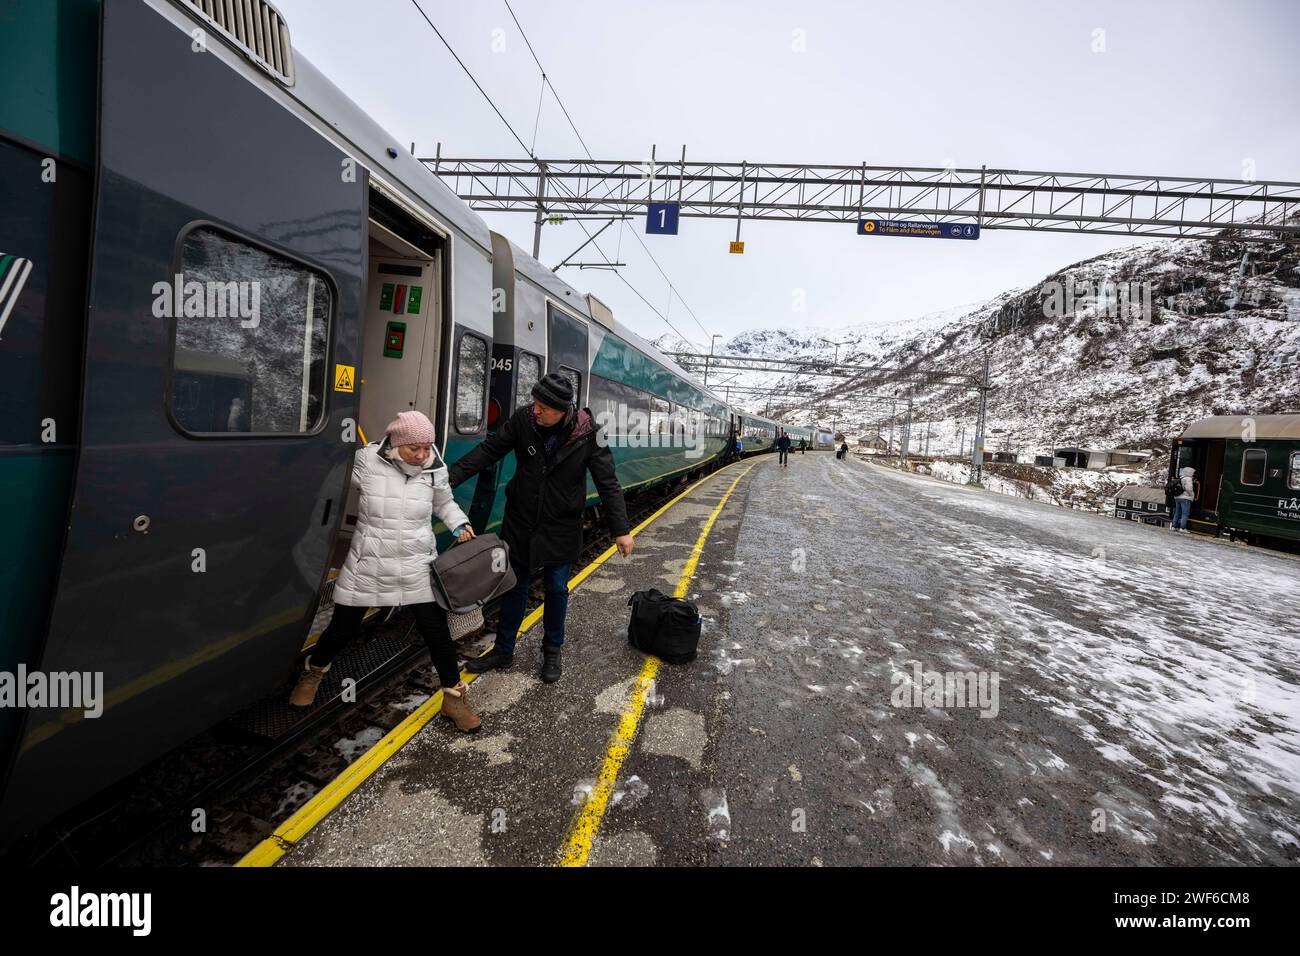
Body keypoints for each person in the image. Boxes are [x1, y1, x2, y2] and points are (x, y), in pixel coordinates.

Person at [290, 411, 482, 732]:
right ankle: (314, 671)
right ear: (395, 443)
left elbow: (445, 503)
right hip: (370, 562)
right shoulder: (366, 462)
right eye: (414, 449)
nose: (422, 455)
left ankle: (454, 698)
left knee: (437, 633)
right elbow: (330, 478)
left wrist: (459, 522)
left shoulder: (434, 468)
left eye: (426, 448)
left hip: (417, 564)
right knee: (342, 630)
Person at [448, 372, 633, 683]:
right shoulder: (524, 420)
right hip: (521, 520)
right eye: (534, 404)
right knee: (514, 587)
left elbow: (608, 483)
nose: (535, 410)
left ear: (563, 411)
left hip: (561, 524)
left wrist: (621, 529)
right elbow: (490, 450)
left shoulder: (589, 434)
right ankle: (503, 651)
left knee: (556, 588)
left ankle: (552, 651)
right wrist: (451, 476)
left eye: (543, 408)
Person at [1171, 465, 1196, 532]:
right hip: (1185, 498)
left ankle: (1174, 526)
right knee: (1185, 513)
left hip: (1177, 498)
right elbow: (1189, 489)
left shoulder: (1180, 478)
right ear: (1189, 472)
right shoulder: (1188, 479)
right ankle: (1182, 528)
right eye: (1192, 473)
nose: (1193, 474)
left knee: (1177, 512)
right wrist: (1191, 495)